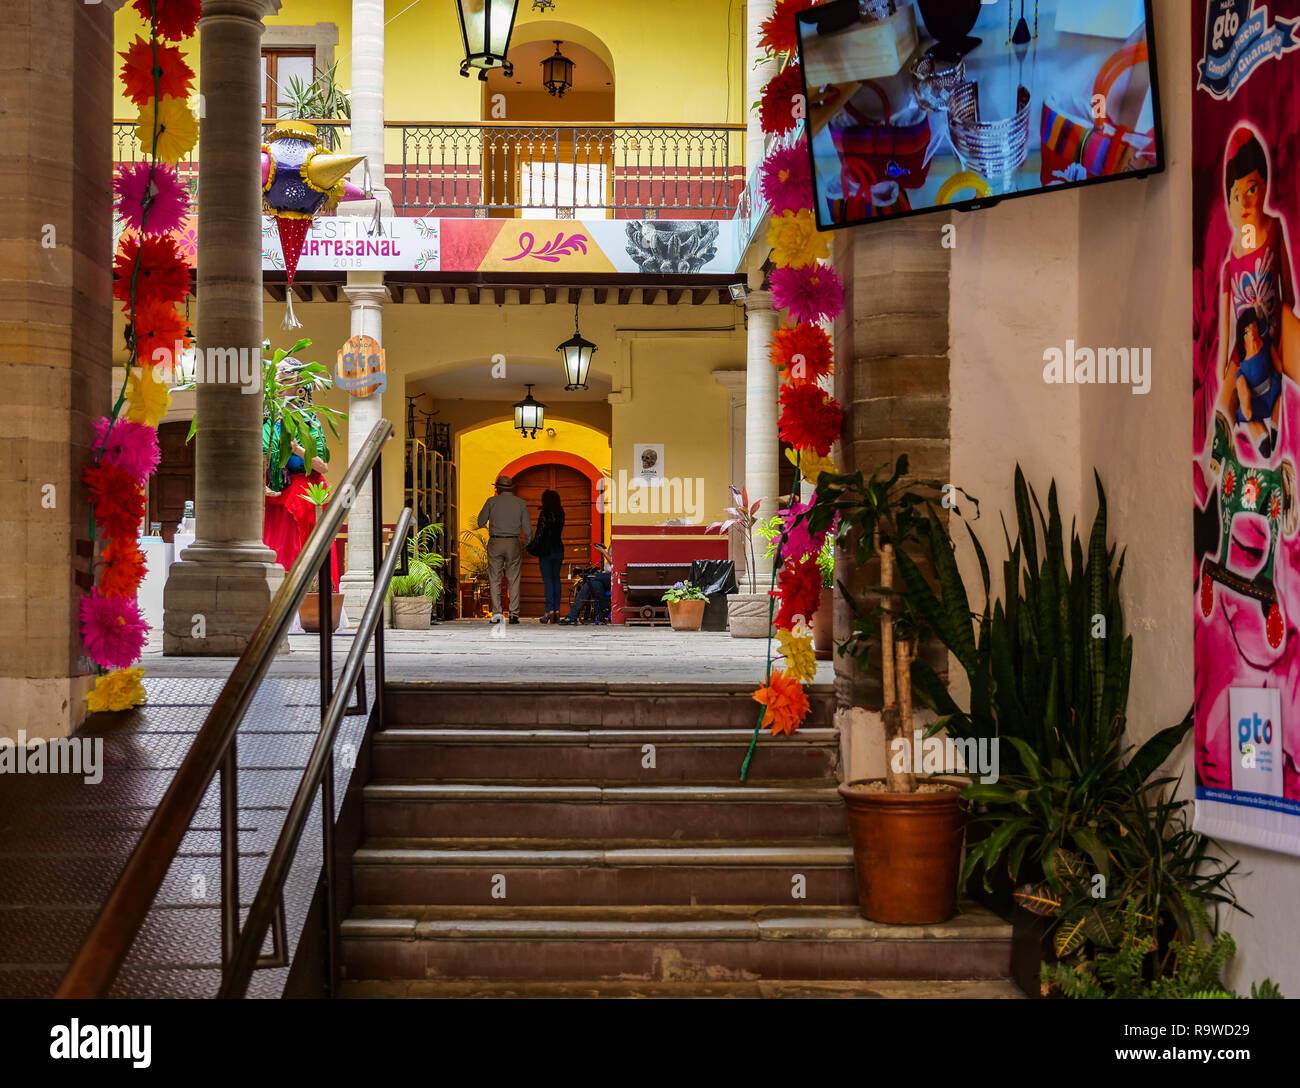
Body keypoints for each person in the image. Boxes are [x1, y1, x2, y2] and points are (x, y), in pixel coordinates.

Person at [477, 474, 532, 624]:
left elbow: (480, 521)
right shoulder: (520, 503)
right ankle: (514, 614)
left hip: (496, 541)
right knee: (514, 579)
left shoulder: (491, 502)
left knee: (495, 579)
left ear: (498, 489)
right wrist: (527, 542)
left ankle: (497, 614)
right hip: (513, 541)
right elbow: (527, 528)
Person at [558, 543, 613, 626]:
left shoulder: (621, 541)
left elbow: (613, 562)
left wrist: (603, 551)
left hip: (614, 575)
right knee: (590, 584)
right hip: (606, 575)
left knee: (591, 577)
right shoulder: (612, 541)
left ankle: (604, 606)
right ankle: (572, 617)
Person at [534, 489, 566, 624]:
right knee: (556, 579)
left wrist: (533, 546)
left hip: (547, 550)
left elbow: (540, 533)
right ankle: (557, 611)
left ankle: (549, 611)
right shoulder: (561, 513)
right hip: (558, 548)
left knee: (548, 580)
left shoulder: (545, 514)